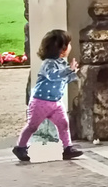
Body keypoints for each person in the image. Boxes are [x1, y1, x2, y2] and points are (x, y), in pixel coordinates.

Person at [13, 29, 84, 162]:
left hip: (56, 102)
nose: (70, 47)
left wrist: (74, 74)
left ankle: (67, 147)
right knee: (32, 126)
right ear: (61, 48)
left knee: (63, 124)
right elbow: (53, 76)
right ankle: (20, 147)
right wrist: (69, 70)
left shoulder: (62, 63)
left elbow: (63, 80)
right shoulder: (48, 64)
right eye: (68, 44)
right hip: (40, 102)